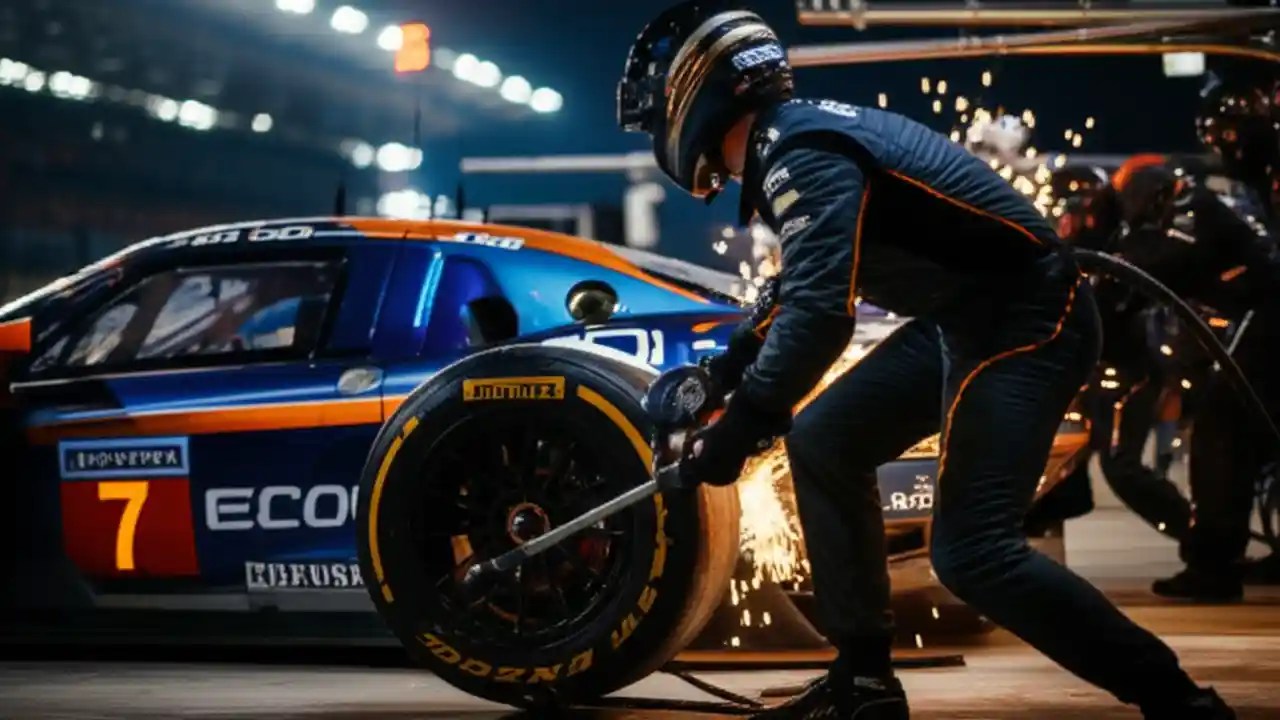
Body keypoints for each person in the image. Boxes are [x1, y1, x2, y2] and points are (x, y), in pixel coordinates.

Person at [616, 3, 1234, 718]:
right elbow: (803, 289)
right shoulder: (802, 138)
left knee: (974, 553)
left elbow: (820, 317)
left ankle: (1182, 703)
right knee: (824, 440)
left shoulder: (801, 152)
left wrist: (744, 422)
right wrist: (725, 376)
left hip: (1030, 321)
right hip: (974, 317)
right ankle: (865, 683)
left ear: (695, 91)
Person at [1128, 68, 1280, 601]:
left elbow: (1174, 256)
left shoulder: (1194, 204)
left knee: (1224, 418)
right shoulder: (1253, 184)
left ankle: (1214, 565)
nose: (1219, 147)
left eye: (1224, 133)